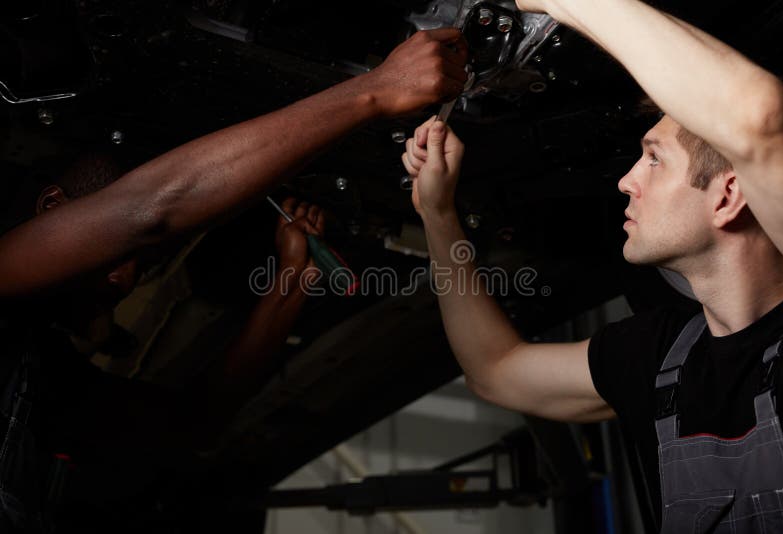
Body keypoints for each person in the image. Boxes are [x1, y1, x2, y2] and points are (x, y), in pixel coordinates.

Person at [0, 28, 468, 532]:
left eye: (147, 261)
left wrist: (290, 282)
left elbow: (197, 419)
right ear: (52, 208)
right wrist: (376, 90)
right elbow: (147, 213)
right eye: (123, 254)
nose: (129, 275)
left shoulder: (39, 374)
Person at [402, 1, 783, 532]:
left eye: (654, 159)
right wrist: (436, 214)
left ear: (729, 195)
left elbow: (760, 117)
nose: (625, 181)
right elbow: (496, 370)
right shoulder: (661, 359)